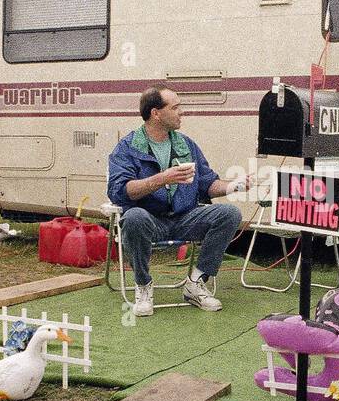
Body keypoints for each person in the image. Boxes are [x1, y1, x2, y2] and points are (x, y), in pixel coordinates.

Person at [107, 86, 252, 316]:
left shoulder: (186, 144)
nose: (181, 112)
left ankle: (196, 282)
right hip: (149, 219)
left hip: (185, 217)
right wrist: (162, 178)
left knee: (229, 214)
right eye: (175, 107)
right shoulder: (127, 148)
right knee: (133, 217)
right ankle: (143, 285)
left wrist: (234, 185)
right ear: (156, 113)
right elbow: (120, 191)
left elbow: (207, 184)